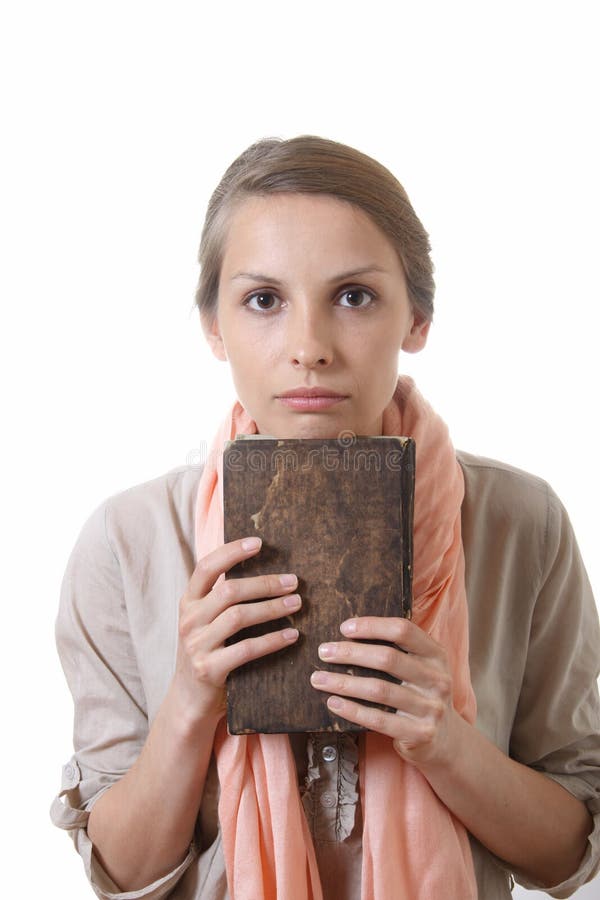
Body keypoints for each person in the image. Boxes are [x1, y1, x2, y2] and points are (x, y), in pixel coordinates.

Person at [51, 135, 600, 899]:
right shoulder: (127, 542)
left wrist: (445, 743)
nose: (308, 347)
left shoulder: (520, 522)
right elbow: (123, 875)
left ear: (418, 318)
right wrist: (190, 700)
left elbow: (568, 855)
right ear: (215, 326)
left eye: (353, 296)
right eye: (264, 300)